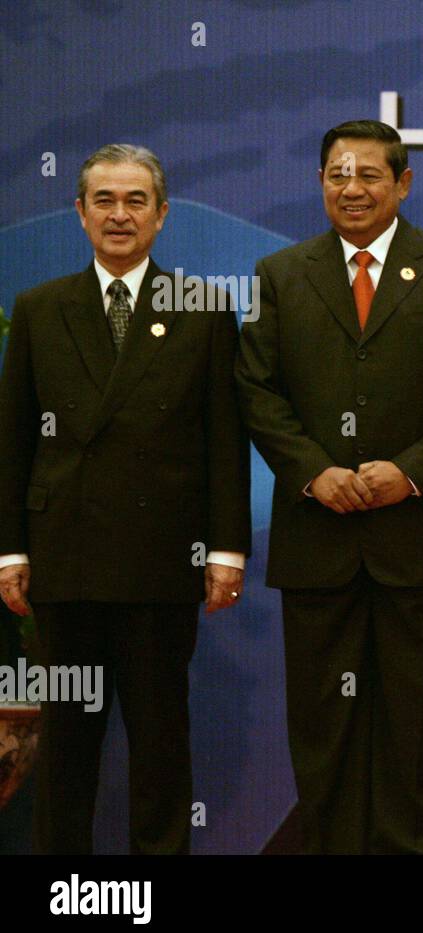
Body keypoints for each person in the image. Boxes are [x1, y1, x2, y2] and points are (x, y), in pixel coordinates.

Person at [235, 120, 423, 853]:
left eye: (368, 176)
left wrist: (410, 470)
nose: (351, 189)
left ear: (403, 183)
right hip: (320, 542)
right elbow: (257, 392)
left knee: (416, 732)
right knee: (324, 732)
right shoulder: (280, 275)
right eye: (336, 175)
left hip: (421, 542)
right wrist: (312, 471)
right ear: (321, 182)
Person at [0, 144, 250, 853]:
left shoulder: (200, 308)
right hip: (65, 564)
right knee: (69, 748)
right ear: (79, 214)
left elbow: (224, 443)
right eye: (104, 200)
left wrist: (226, 549)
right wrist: (10, 549)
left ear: (163, 215)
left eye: (136, 200)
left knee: (161, 742)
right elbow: (14, 441)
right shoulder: (41, 308)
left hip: (162, 562)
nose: (119, 214)